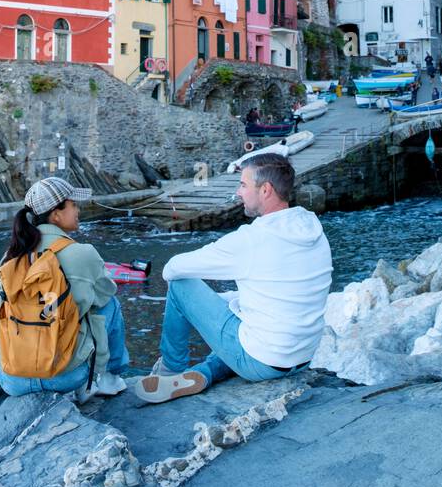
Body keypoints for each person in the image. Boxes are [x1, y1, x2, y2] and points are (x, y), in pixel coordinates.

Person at [133, 153, 332, 405]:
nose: (238, 193)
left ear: (266, 190)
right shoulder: (312, 227)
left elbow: (172, 269)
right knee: (243, 322)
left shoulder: (251, 239)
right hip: (301, 357)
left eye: (243, 185)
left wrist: (199, 305)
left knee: (181, 286)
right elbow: (282, 294)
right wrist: (223, 301)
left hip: (262, 362)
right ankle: (205, 373)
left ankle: (171, 370)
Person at [0, 177, 130, 401]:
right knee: (110, 306)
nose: (78, 210)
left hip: (12, 380)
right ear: (56, 213)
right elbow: (106, 294)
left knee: (4, 322)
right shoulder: (83, 253)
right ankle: (108, 379)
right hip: (67, 376)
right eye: (74, 204)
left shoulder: (10, 257)